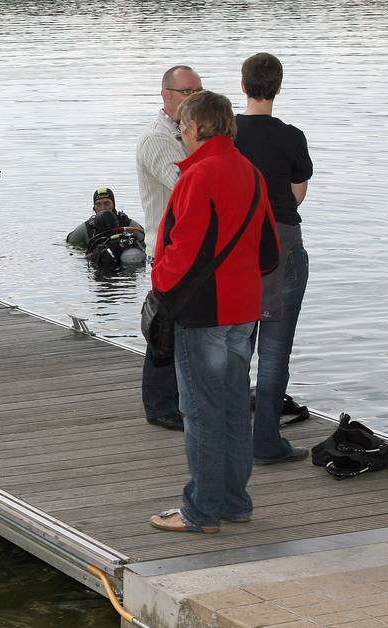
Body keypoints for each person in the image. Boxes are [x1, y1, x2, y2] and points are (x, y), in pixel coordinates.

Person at [148, 91, 279, 534]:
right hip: (244, 308)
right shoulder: (251, 172)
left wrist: (159, 284)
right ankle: (234, 501)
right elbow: (269, 249)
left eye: (183, 127)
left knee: (201, 412)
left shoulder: (198, 175)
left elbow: (181, 249)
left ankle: (201, 511)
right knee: (232, 407)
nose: (182, 136)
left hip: (204, 311)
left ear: (198, 127)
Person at [235, 53, 314, 465]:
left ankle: (229, 438)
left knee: (235, 348)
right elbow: (297, 193)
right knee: (275, 353)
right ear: (278, 88)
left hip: (237, 252)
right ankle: (265, 442)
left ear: (243, 85)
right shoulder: (291, 136)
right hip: (283, 245)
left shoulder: (225, 132)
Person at [135, 65, 203, 432]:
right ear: (167, 95)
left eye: (199, 91)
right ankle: (160, 405)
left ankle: (179, 396)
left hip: (185, 246)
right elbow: (185, 188)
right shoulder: (158, 139)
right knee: (164, 326)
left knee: (181, 324)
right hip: (165, 247)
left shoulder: (190, 133)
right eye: (187, 92)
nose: (196, 99)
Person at [65, 187, 146, 268]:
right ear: (94, 208)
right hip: (97, 266)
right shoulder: (87, 228)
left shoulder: (128, 225)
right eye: (98, 204)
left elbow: (149, 243)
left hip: (124, 268)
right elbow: (69, 244)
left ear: (113, 205)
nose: (103, 208)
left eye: (106, 203)